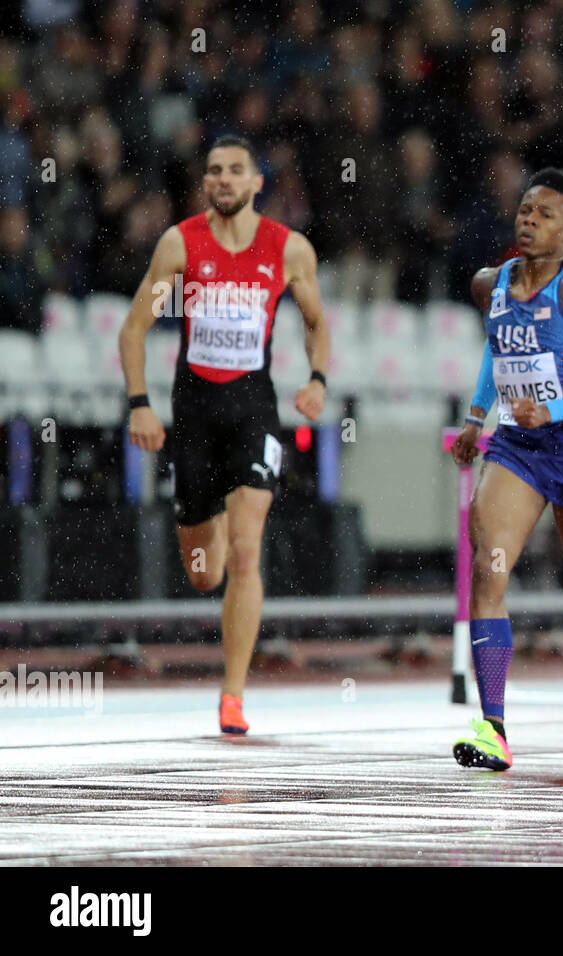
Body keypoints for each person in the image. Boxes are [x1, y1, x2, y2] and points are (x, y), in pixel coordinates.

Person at [119, 134, 331, 735]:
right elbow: (134, 330)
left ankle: (232, 695)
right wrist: (141, 405)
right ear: (205, 183)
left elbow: (317, 323)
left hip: (254, 412)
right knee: (203, 573)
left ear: (257, 182)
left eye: (236, 171)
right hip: (194, 417)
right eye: (214, 172)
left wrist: (316, 377)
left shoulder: (287, 250)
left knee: (245, 550)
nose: (224, 180)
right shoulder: (180, 244)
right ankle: (203, 525)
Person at [448, 168, 563, 772]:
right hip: (518, 450)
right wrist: (478, 417)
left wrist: (550, 407)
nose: (529, 220)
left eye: (546, 214)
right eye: (526, 209)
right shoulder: (490, 284)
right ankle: (492, 725)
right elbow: (498, 350)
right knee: (488, 569)